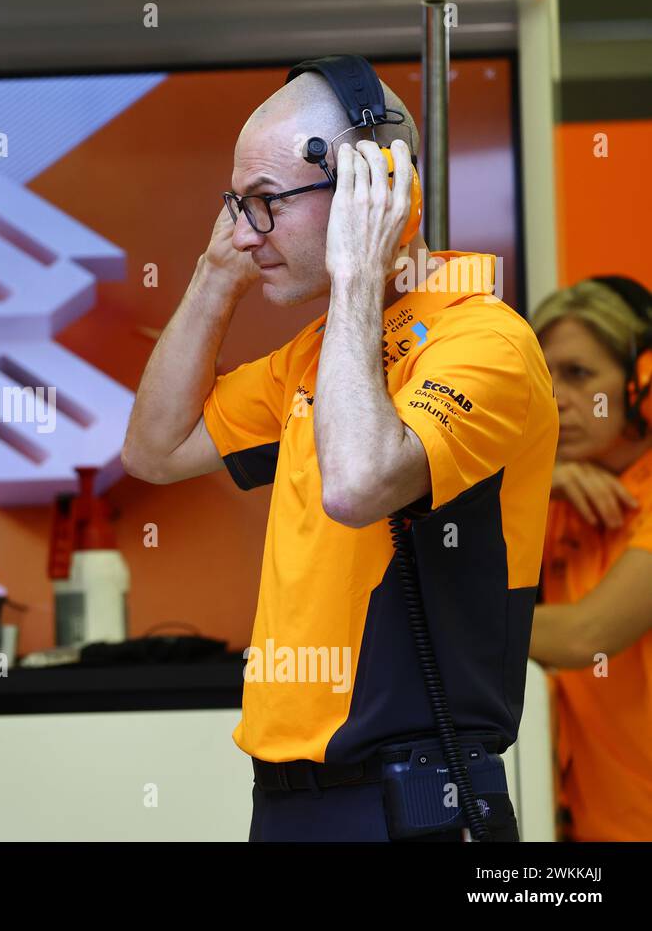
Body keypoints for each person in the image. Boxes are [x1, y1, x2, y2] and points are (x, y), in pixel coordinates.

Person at [121, 55, 557, 841]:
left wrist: (357, 269)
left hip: (413, 803)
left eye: (265, 203)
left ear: (374, 184)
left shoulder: (486, 341)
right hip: (289, 800)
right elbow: (155, 450)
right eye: (237, 205)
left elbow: (358, 487)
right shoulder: (319, 355)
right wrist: (216, 276)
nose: (247, 232)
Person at [528, 275, 652, 842]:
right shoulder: (557, 498)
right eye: (546, 376)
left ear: (640, 384)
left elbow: (585, 636)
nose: (555, 399)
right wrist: (530, 487)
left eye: (579, 376)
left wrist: (434, 624)